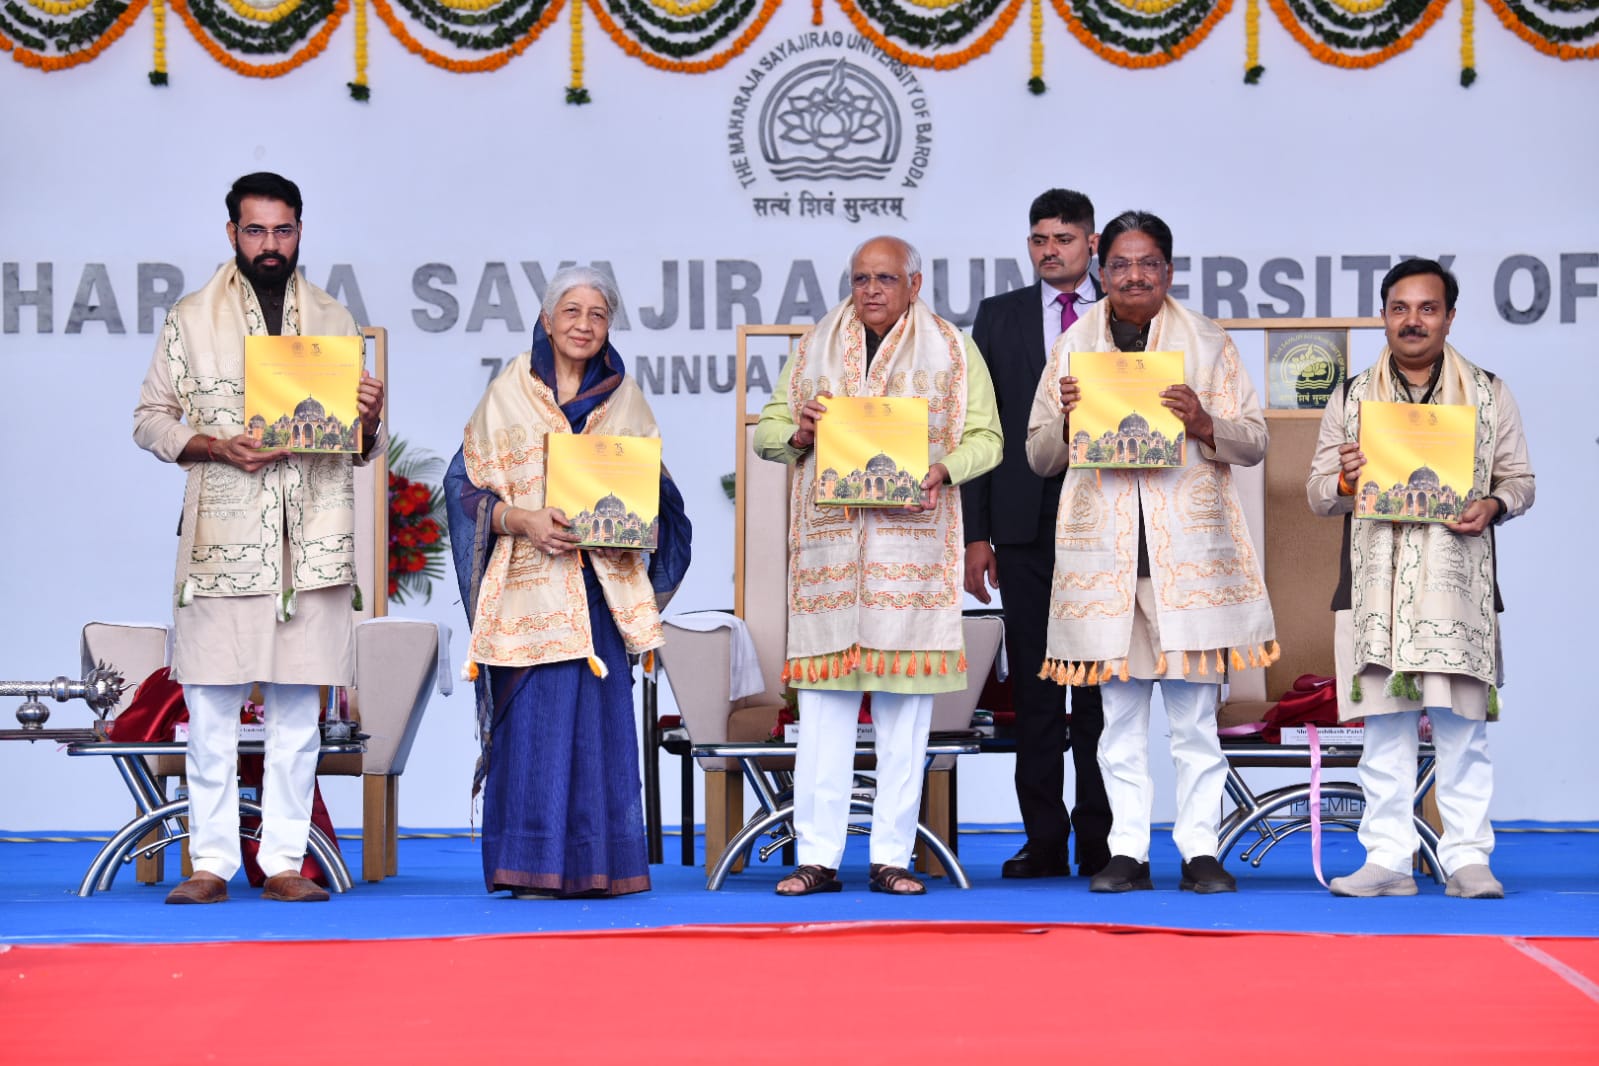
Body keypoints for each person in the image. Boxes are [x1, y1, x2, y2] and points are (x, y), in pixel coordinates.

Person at [133, 172, 385, 905]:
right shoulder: (190, 318)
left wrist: (370, 412)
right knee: (209, 708)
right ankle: (208, 862)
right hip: (224, 536)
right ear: (231, 234)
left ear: (300, 231)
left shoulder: (336, 322)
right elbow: (150, 418)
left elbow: (357, 443)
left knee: (296, 712)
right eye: (255, 231)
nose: (269, 245)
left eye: (281, 231)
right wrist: (213, 445)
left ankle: (282, 862)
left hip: (310, 539)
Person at [1025, 210, 1276, 894]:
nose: (1134, 276)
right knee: (1118, 725)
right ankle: (1127, 853)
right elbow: (1039, 455)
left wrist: (1202, 421)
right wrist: (1072, 418)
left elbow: (1253, 441)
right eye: (1121, 265)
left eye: (1148, 264)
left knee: (1194, 723)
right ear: (1101, 271)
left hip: (1186, 561)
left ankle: (1199, 851)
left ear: (1168, 270)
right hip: (1105, 565)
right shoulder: (1073, 345)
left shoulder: (1206, 341)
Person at [755, 235, 1002, 896]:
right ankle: (817, 857)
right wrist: (798, 434)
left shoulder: (952, 348)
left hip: (909, 557)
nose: (869, 290)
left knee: (903, 720)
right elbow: (767, 431)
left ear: (914, 284)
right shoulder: (812, 347)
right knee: (824, 722)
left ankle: (892, 855)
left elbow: (987, 438)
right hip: (829, 561)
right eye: (860, 277)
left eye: (884, 278)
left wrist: (943, 468)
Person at [445, 265, 690, 899]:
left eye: (598, 314)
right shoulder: (506, 394)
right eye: (572, 312)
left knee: (596, 730)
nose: (584, 325)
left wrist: (626, 521)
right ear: (548, 320)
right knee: (534, 727)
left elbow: (660, 501)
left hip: (599, 592)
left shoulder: (626, 400)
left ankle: (599, 868)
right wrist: (521, 518)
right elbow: (463, 488)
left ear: (610, 326)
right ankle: (528, 867)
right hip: (525, 589)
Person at [1309, 259, 1534, 900]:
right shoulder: (1353, 396)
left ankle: (1467, 859)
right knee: (1384, 733)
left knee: (1463, 732)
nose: (1413, 320)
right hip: (1373, 589)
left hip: (1456, 590)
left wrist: (1493, 505)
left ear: (1450, 316)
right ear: (1383, 314)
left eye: (1427, 308)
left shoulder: (1488, 392)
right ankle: (1388, 861)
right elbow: (1318, 493)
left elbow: (1521, 482)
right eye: (1400, 308)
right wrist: (1347, 481)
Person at [963, 188, 1112, 879]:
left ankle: (1103, 839)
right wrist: (977, 533)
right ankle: (1044, 840)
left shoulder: (1124, 314)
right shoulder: (998, 317)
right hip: (1021, 528)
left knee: (1100, 694)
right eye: (1038, 239)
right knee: (1035, 690)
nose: (1049, 250)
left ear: (1090, 244)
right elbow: (979, 429)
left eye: (1063, 239)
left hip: (1106, 522)